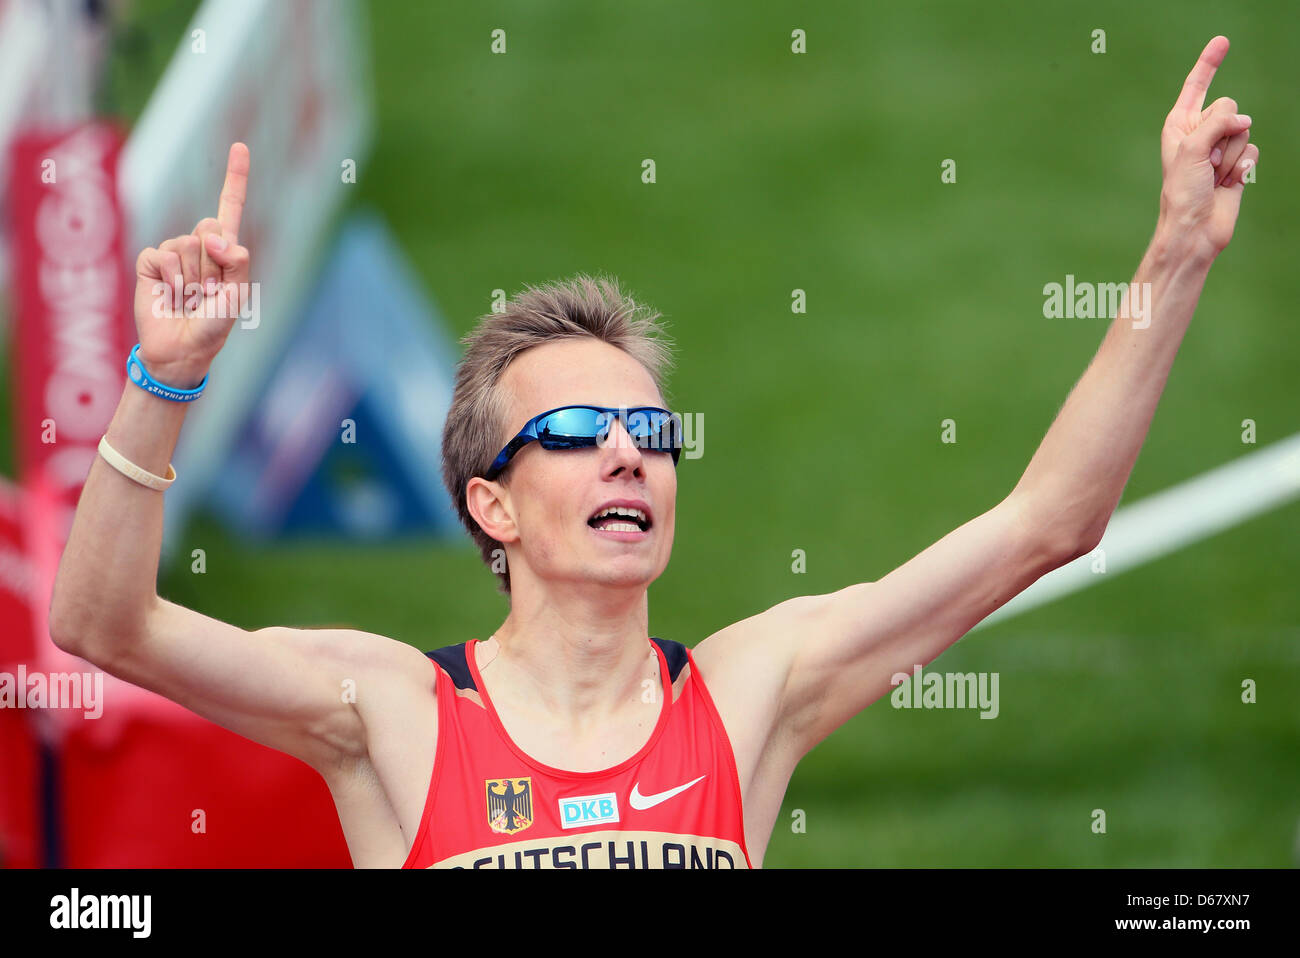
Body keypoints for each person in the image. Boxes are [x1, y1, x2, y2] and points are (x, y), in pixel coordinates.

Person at [48, 36, 1258, 868]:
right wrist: (167, 375)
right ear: (494, 505)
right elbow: (104, 623)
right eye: (576, 433)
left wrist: (1172, 258)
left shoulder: (748, 694)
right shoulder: (392, 711)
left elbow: (1048, 520)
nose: (629, 454)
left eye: (651, 432)